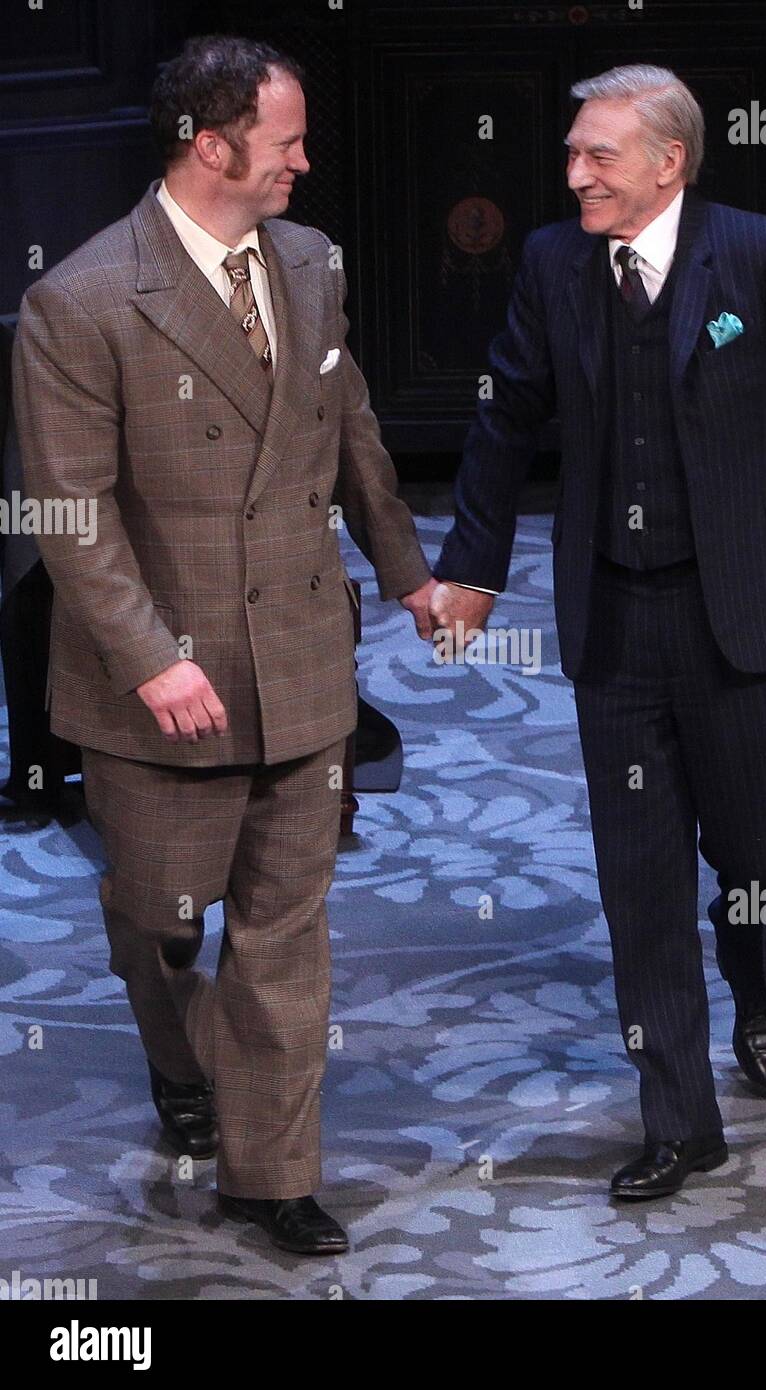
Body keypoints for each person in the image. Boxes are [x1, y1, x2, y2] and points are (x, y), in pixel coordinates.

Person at [429, 64, 766, 1200]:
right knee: (637, 873)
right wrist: (469, 571)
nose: (573, 172)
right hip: (617, 617)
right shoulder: (550, 263)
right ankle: (677, 1118)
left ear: (667, 162)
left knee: (761, 847)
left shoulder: (757, 253)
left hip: (754, 610)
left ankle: (755, 964)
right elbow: (503, 419)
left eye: (597, 156)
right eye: (572, 153)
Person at [12, 34, 435, 1254]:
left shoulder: (309, 263)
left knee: (284, 931)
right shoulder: (82, 300)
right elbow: (71, 512)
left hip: (301, 656)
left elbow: (346, 424)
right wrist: (153, 656)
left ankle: (268, 1174)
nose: (306, 162)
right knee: (161, 922)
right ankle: (177, 1056)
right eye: (287, 140)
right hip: (158, 684)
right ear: (213, 146)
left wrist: (410, 574)